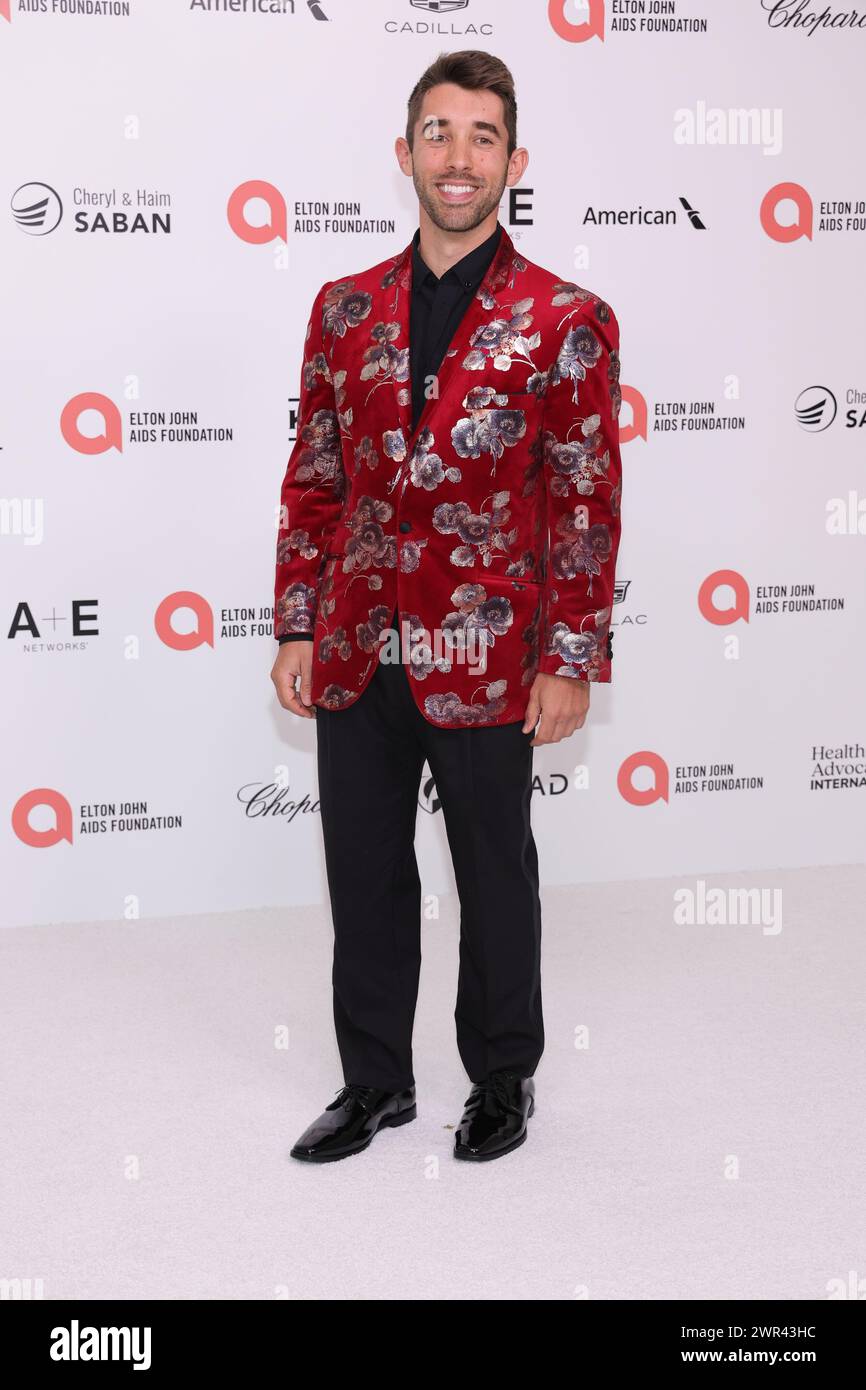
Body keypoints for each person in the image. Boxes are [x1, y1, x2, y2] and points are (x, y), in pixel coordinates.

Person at [270, 49, 623, 1163]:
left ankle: (503, 1078)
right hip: (356, 645)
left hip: (486, 650)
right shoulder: (341, 309)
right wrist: (294, 620)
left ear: (513, 161)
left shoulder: (566, 317)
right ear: (404, 153)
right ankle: (374, 1081)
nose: (457, 157)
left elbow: (582, 499)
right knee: (364, 875)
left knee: (492, 876)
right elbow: (314, 476)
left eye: (480, 136)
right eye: (438, 132)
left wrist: (567, 657)